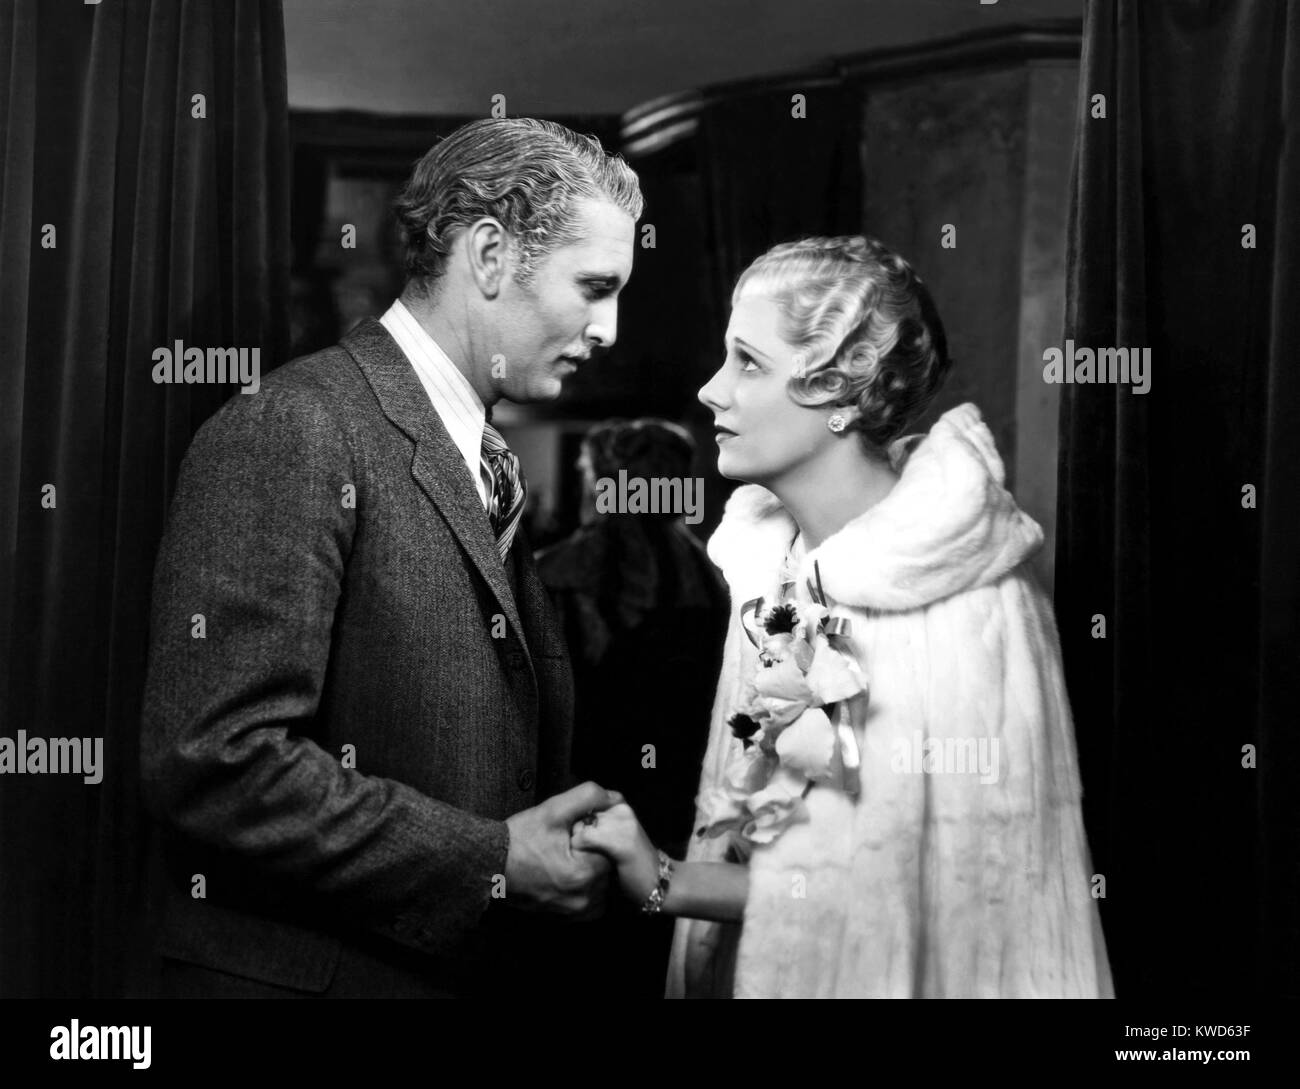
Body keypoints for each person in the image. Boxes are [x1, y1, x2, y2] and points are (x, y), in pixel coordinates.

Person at [139, 118, 641, 997]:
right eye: (594, 286)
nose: (609, 329)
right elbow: (214, 758)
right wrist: (493, 858)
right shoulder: (295, 425)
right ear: (490, 254)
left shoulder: (479, 453)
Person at [572, 235, 1115, 998]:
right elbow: (780, 856)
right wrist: (661, 876)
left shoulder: (964, 600)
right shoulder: (772, 570)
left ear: (840, 387)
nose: (711, 390)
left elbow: (941, 909)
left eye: (748, 362)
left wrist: (663, 878)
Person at [535, 418, 730, 994]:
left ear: (606, 481)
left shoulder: (558, 573)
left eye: (588, 473)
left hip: (584, 802)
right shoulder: (715, 572)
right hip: (681, 809)